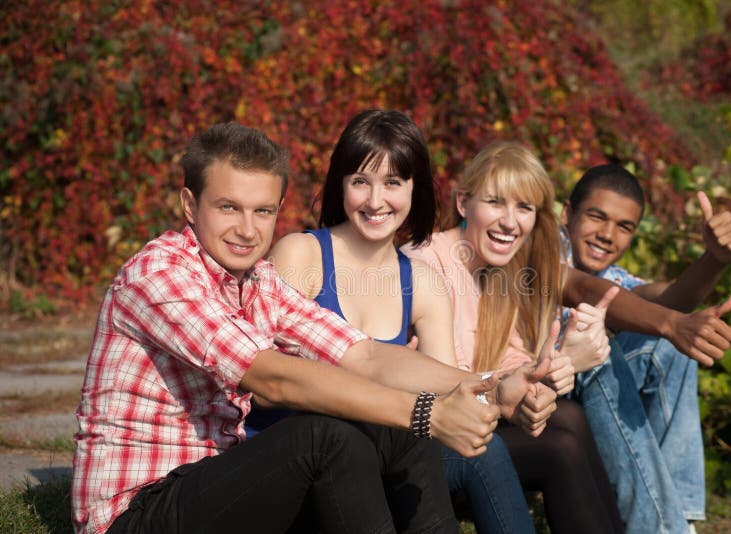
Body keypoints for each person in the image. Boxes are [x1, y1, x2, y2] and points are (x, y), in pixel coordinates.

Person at [70, 122, 557, 534]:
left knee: (396, 434)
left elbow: (365, 355)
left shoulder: (258, 281)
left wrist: (488, 388)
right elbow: (273, 378)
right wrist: (426, 413)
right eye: (228, 208)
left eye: (263, 211)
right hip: (135, 512)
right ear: (190, 205)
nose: (247, 229)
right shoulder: (161, 274)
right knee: (326, 437)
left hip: (217, 479)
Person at [247, 109, 547, 533]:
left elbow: (448, 388)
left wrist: (502, 392)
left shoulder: (423, 284)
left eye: (392, 183)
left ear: (414, 189)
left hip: (382, 452)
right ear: (341, 185)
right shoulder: (302, 255)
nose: (375, 201)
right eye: (360, 182)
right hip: (297, 461)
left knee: (486, 453)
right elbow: (264, 388)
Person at [402, 140, 626, 534]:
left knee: (569, 417)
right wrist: (547, 373)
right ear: (462, 203)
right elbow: (443, 388)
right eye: (496, 202)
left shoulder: (500, 270)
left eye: (524, 208)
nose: (511, 221)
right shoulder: (425, 264)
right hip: (422, 433)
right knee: (559, 449)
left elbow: (508, 363)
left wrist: (552, 366)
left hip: (474, 415)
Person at [560, 164, 731, 533]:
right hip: (542, 382)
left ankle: (680, 520)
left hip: (589, 389)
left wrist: (715, 259)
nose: (607, 235)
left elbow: (669, 299)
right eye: (597, 217)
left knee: (671, 347)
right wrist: (671, 323)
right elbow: (585, 292)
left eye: (624, 227)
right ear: (567, 213)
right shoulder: (543, 248)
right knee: (600, 338)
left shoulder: (613, 276)